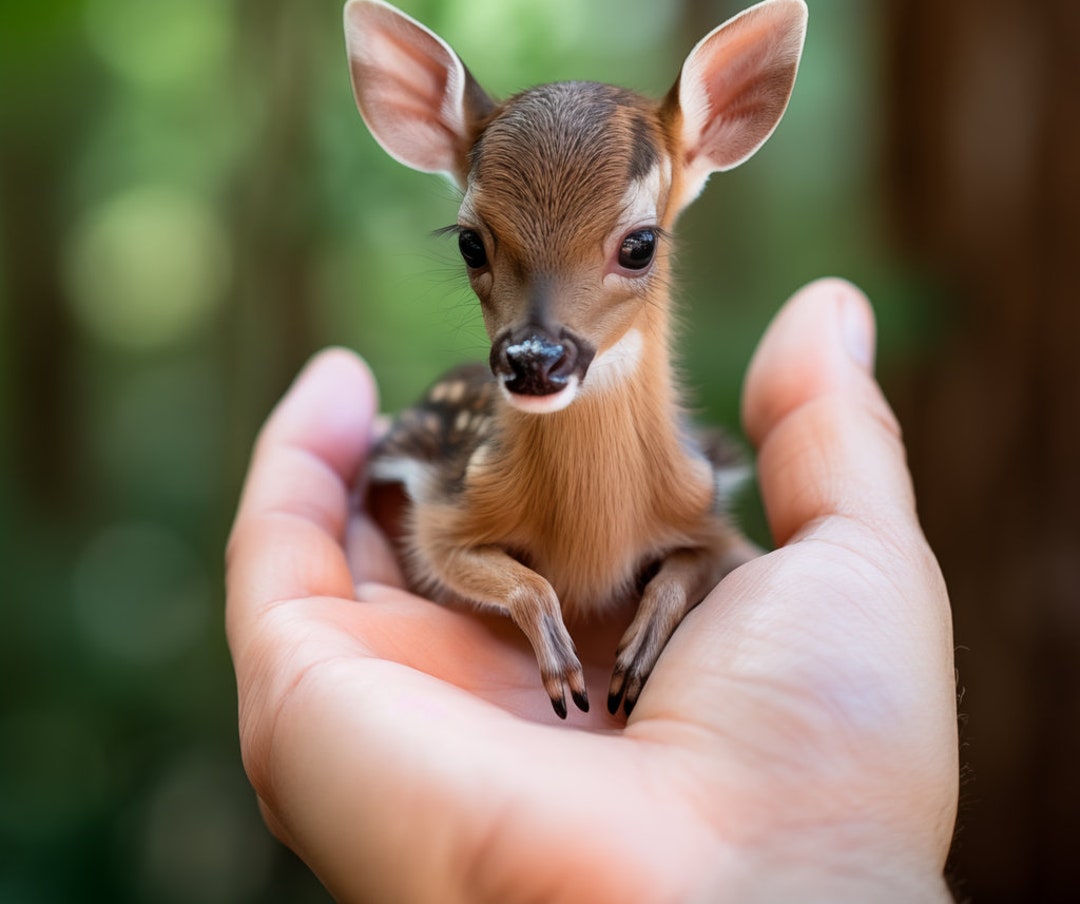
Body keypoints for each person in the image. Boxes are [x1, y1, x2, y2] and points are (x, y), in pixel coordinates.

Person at [225, 278, 959, 903]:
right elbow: (444, 537)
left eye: (632, 251)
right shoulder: (485, 445)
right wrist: (526, 596)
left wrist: (673, 593)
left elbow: (709, 548)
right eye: (481, 254)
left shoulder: (674, 473)